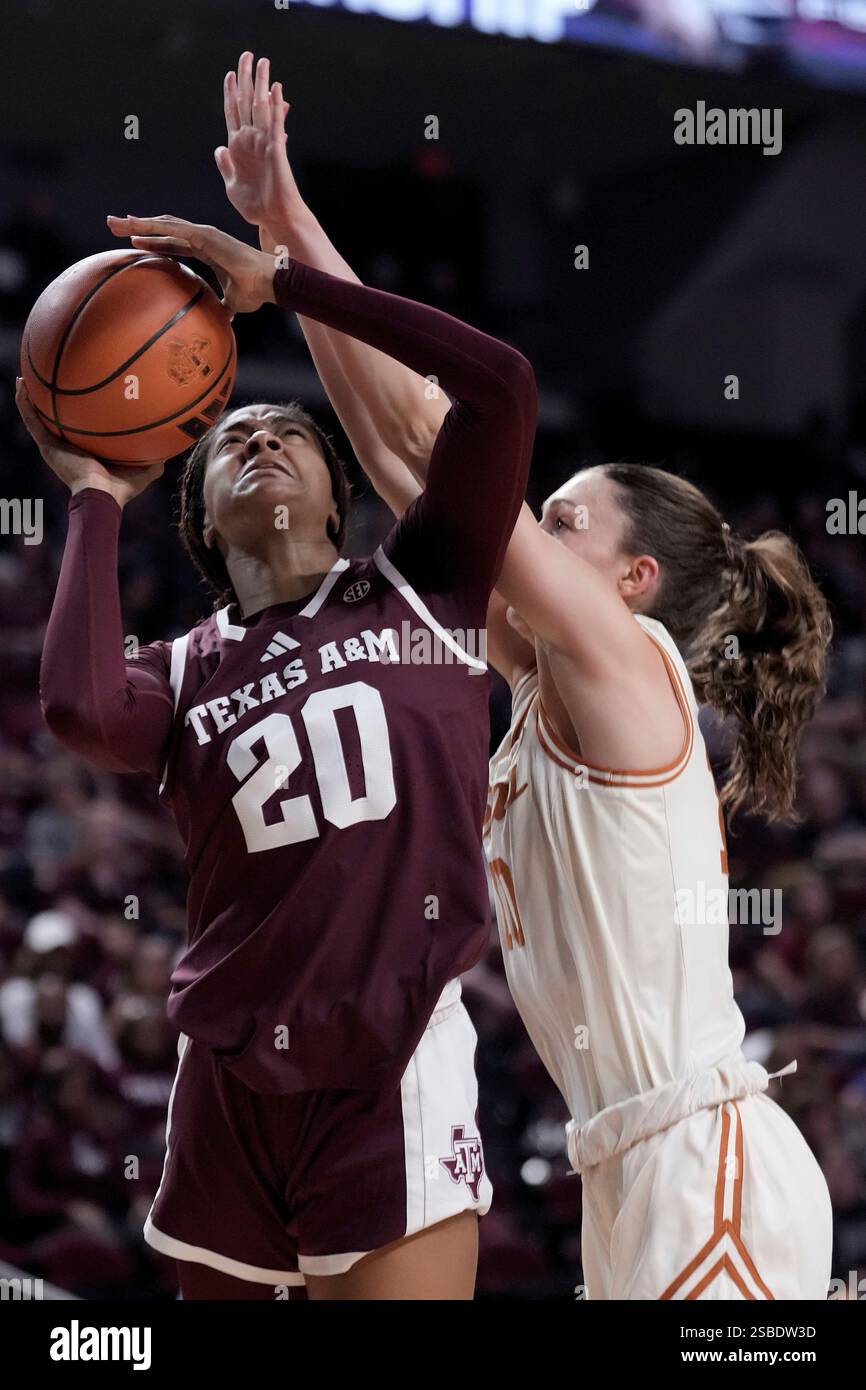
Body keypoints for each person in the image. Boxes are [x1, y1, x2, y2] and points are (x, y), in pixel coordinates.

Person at [225, 51, 835, 1298]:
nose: (530, 525)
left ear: (631, 584)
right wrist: (288, 231)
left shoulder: (627, 663)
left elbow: (431, 444)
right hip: (625, 1163)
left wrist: (291, 263)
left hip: (697, 1152)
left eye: (558, 519)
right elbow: (403, 460)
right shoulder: (548, 687)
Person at [20, 206, 536, 1298]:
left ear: (335, 499)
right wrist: (94, 499)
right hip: (227, 1077)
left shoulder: (421, 585)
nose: (258, 441)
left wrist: (286, 286)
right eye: (230, 443)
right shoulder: (179, 669)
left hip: (386, 1056)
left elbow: (500, 387)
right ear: (201, 520)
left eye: (285, 432)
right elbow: (73, 708)